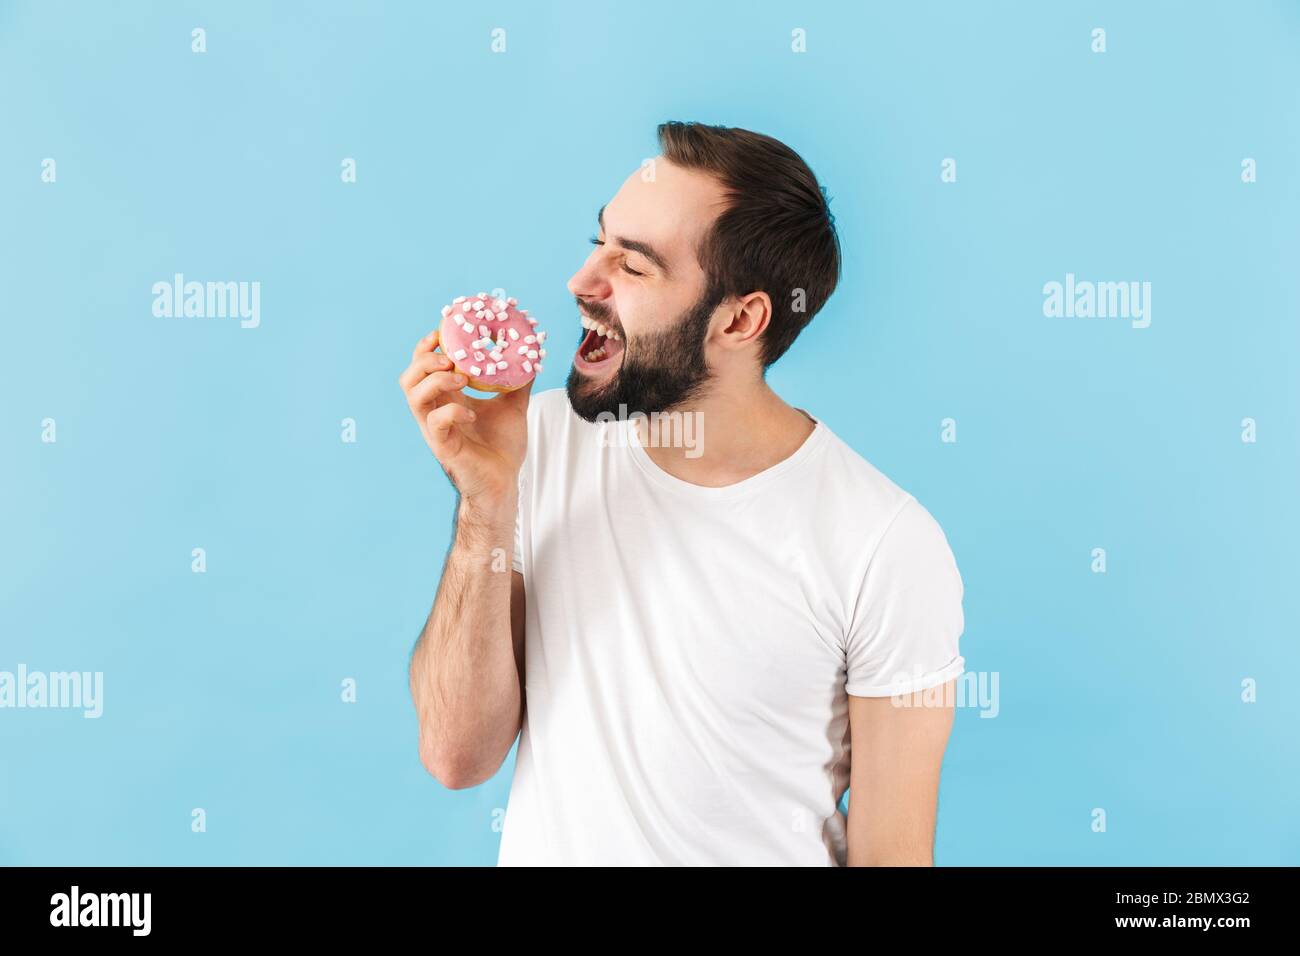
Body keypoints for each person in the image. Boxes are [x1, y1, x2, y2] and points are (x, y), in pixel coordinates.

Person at [400, 121, 966, 866]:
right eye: (597, 241)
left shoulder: (883, 542)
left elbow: (892, 855)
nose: (580, 282)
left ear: (739, 319)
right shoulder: (535, 444)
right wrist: (487, 505)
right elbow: (456, 756)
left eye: (633, 268)